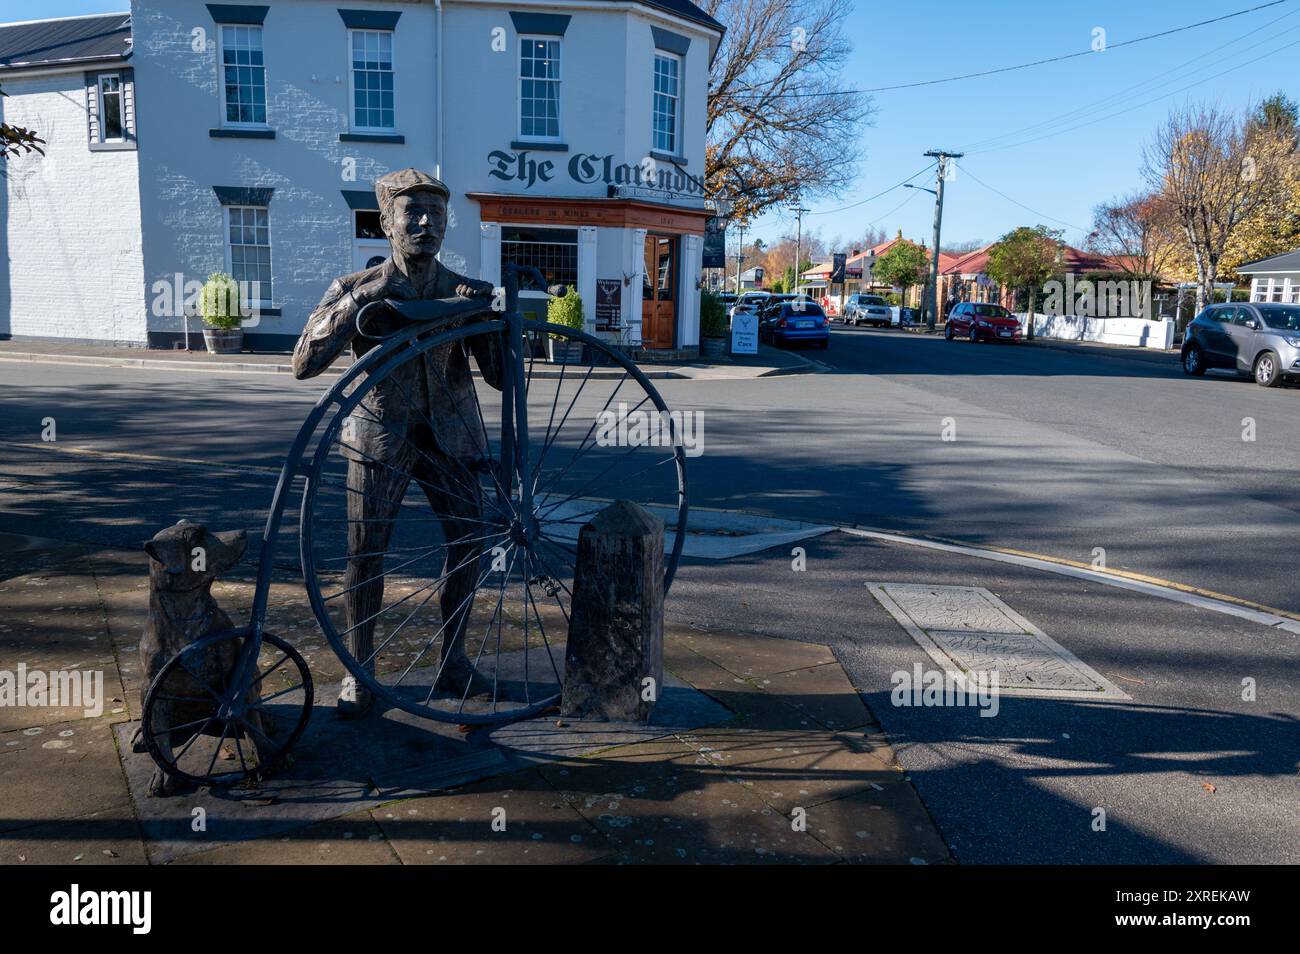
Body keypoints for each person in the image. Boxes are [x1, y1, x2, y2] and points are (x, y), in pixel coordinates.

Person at [293, 168, 501, 717]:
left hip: (451, 435)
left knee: (469, 543)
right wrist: (365, 298)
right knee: (366, 553)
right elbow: (304, 364)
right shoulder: (353, 289)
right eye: (412, 212)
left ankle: (454, 663)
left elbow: (503, 377)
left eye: (436, 212)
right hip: (378, 434)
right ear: (386, 222)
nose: (426, 223)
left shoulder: (462, 289)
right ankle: (358, 671)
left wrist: (488, 316)